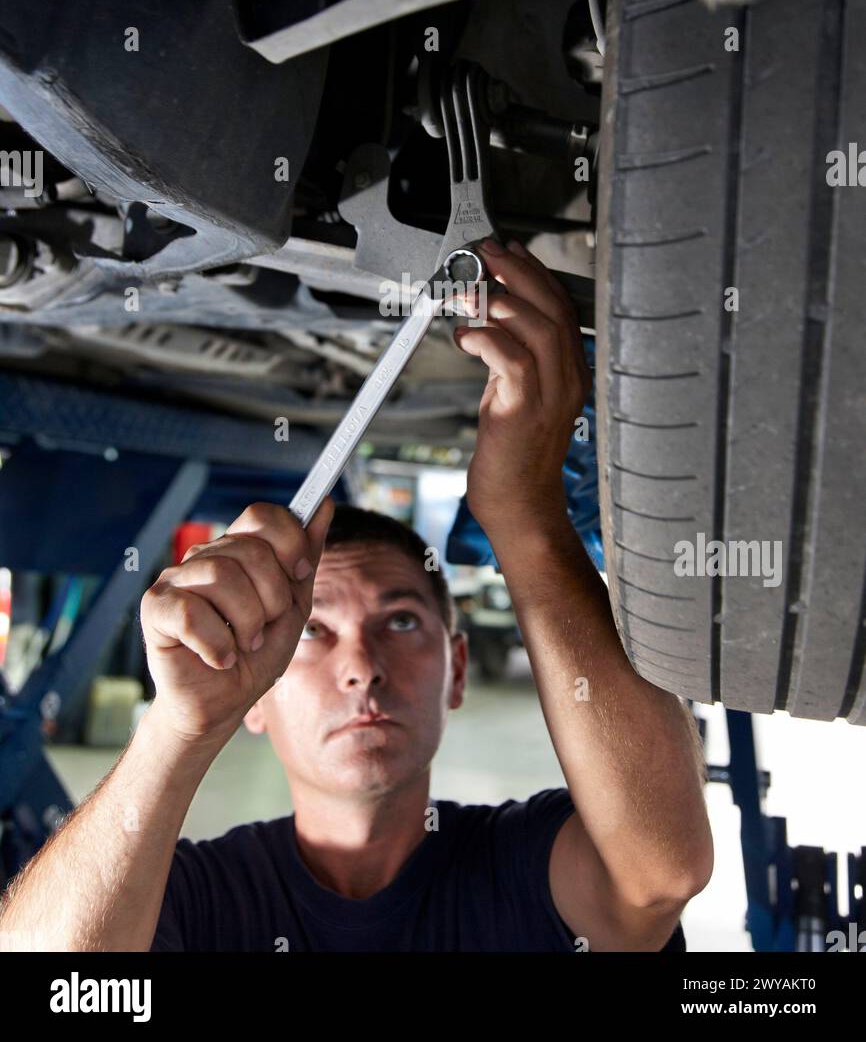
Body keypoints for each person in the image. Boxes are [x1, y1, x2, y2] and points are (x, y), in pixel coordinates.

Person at [0, 238, 713, 952]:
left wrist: (525, 517)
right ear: (258, 701)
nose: (362, 667)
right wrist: (176, 730)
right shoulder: (195, 899)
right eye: (312, 632)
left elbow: (658, 873)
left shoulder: (521, 868)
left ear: (457, 668)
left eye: (401, 621)